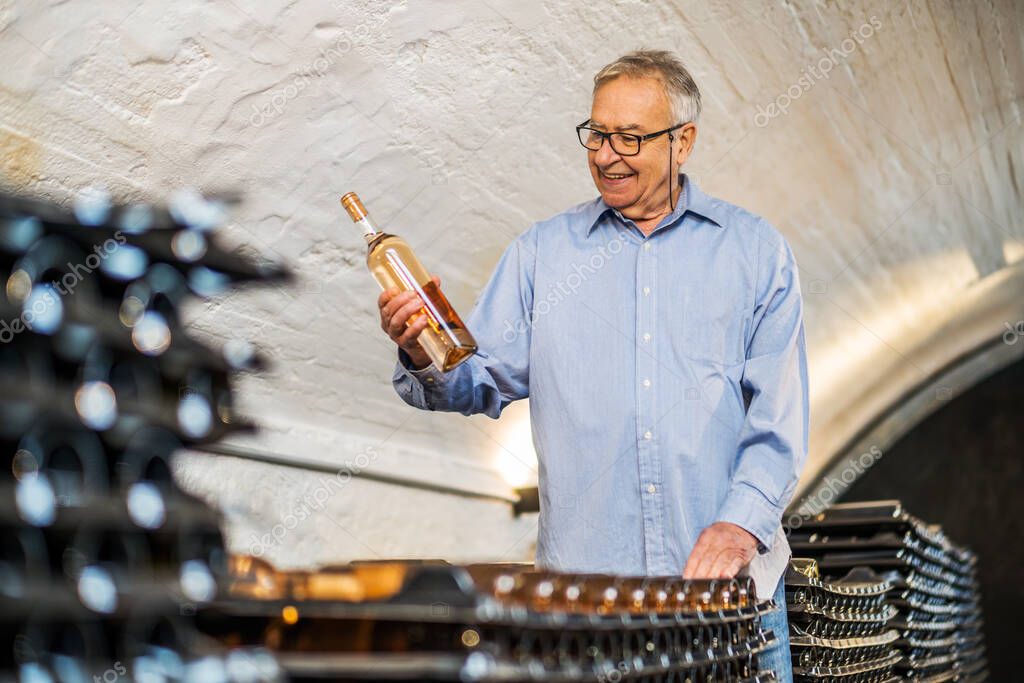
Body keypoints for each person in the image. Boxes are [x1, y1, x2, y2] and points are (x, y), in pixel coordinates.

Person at [379, 50, 807, 681]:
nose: (605, 154)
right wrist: (421, 352)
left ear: (683, 141)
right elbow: (476, 379)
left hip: (730, 610)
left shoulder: (755, 253)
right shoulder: (540, 255)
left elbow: (779, 420)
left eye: (629, 138)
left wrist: (741, 525)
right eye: (596, 134)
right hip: (585, 625)